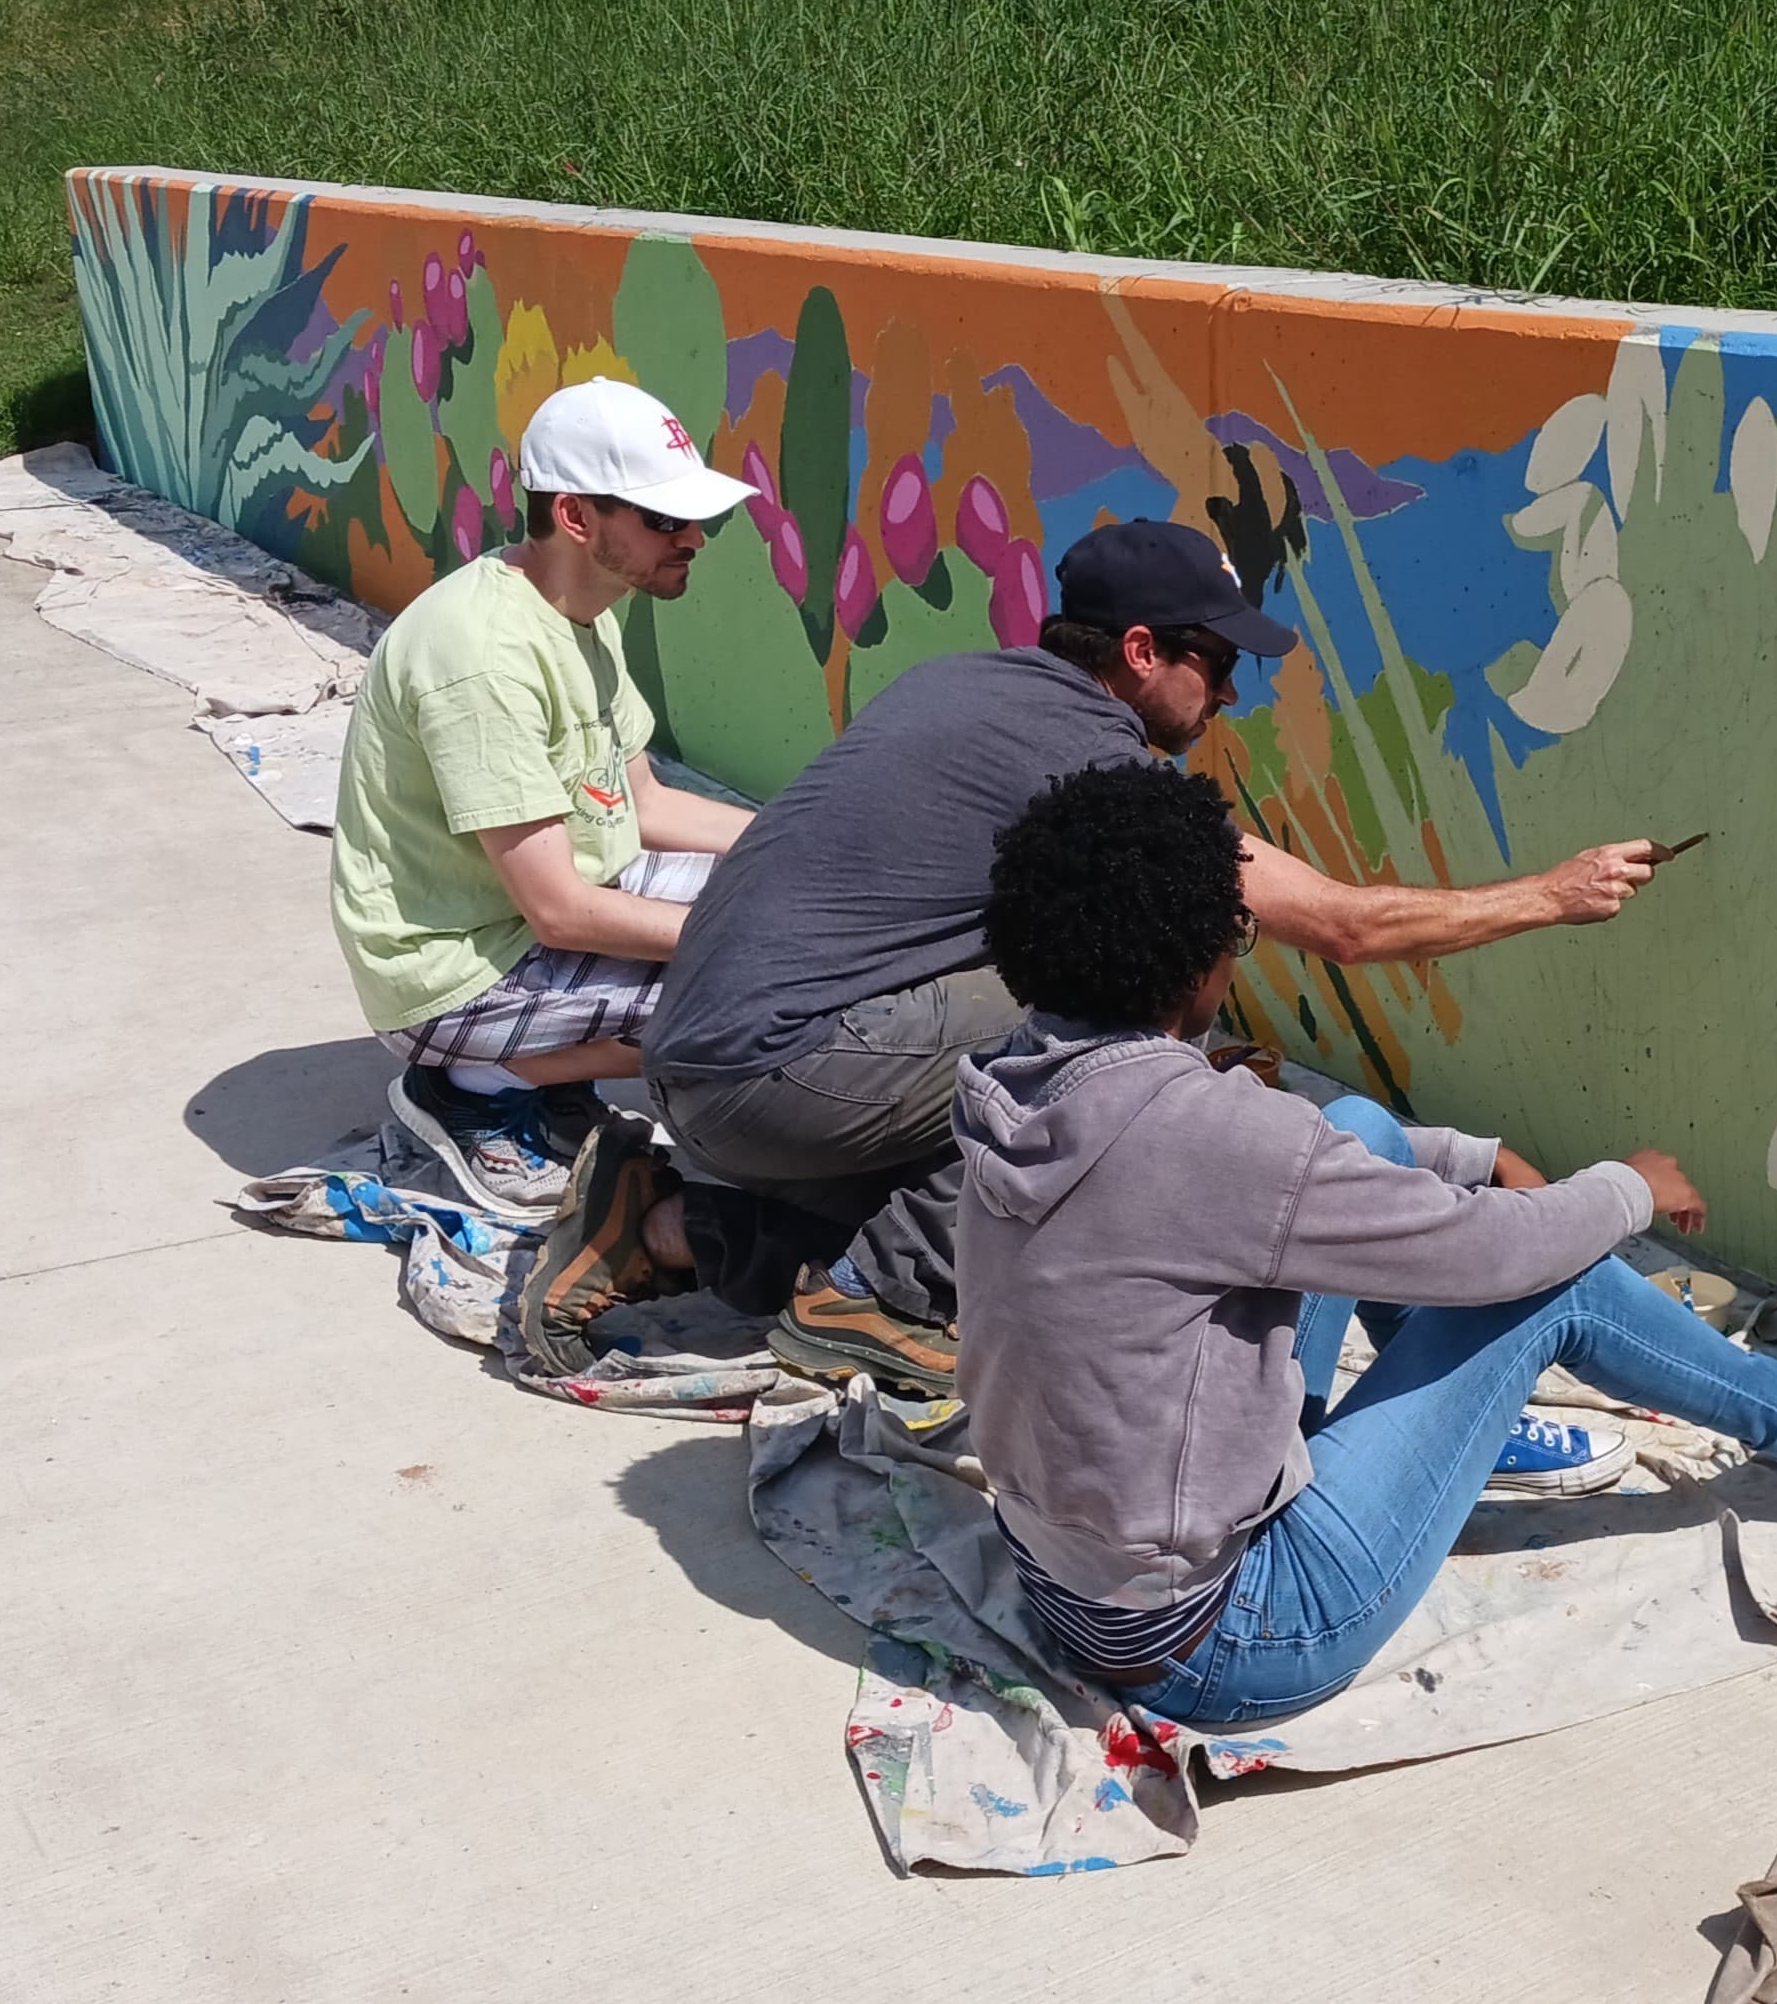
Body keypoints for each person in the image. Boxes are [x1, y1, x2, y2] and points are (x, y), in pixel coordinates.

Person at [521, 518, 1667, 1388]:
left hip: (707, 1067)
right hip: (785, 1075)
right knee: (1129, 1020)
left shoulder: (965, 681)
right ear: (1137, 650)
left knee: (1038, 1161)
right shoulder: (1090, 761)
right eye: (1215, 664)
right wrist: (1553, 897)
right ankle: (876, 1299)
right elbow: (1344, 925)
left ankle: (664, 1220)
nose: (1230, 691)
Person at [950, 759, 1777, 1723]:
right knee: (1550, 1284)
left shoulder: (1027, 1082)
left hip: (1074, 1581)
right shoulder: (1205, 1137)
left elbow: (1305, 1165)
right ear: (1199, 957)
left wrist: (1474, 1156)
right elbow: (1496, 1259)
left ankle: (1454, 1438)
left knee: (1365, 1131)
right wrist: (1626, 1188)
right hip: (1232, 1634)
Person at [330, 378, 757, 1214]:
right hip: (454, 970)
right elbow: (560, 911)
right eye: (664, 519)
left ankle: (540, 1072)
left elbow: (645, 803)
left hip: (536, 914)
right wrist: (747, 936)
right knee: (762, 993)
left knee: (803, 913)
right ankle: (469, 1086)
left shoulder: (583, 602)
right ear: (575, 517)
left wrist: (804, 843)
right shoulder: (481, 656)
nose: (695, 537)